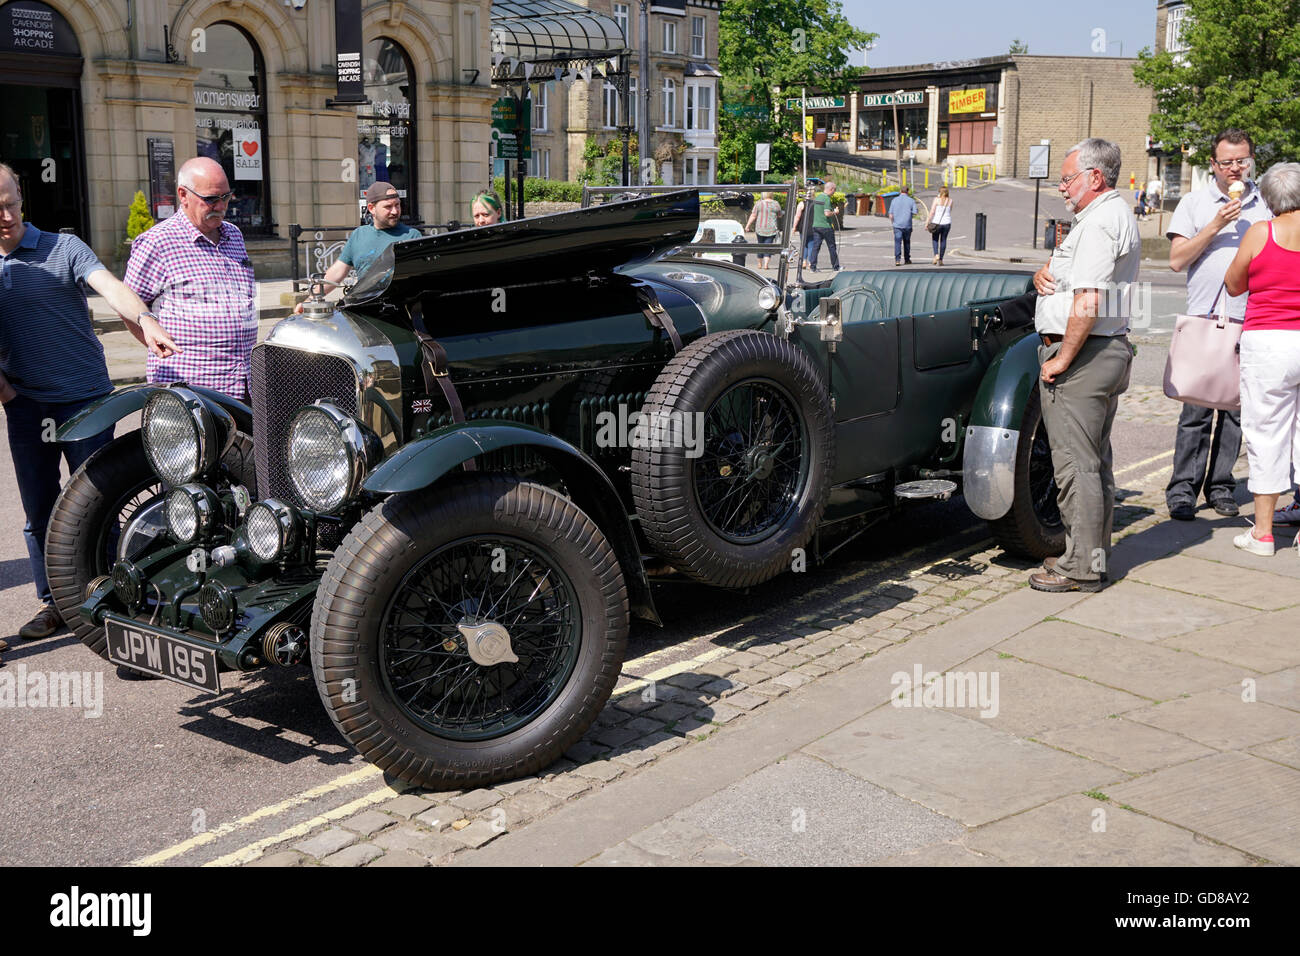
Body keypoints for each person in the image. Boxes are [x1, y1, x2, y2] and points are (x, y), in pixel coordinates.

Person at [0, 162, 179, 643]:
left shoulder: (64, 247)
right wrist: (9, 393)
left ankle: (115, 596)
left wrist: (146, 320)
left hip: (87, 402)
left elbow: (111, 287)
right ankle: (54, 603)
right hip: (27, 407)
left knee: (101, 504)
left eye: (10, 202)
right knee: (41, 511)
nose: (4, 214)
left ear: (22, 198)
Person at [1027, 138, 1140, 593]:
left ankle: (1081, 568)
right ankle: (1091, 553)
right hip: (1104, 349)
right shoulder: (1107, 217)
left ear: (1095, 177)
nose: (1061, 186)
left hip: (1084, 356)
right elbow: (1079, 281)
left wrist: (1063, 359)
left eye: (1068, 177)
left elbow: (1089, 298)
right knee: (1093, 463)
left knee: (1075, 466)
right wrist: (1044, 274)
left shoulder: (1098, 223)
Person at [1164, 129, 1271, 521]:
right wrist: (1214, 225)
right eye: (1226, 162)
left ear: (1252, 160)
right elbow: (1177, 260)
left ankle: (1221, 486)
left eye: (1241, 160)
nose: (1234, 169)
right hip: (1204, 318)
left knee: (1235, 411)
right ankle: (1182, 490)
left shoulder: (1266, 204)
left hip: (1252, 319)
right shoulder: (1194, 203)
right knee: (1195, 409)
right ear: (1213, 165)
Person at [125, 157, 257, 400]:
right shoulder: (157, 242)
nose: (220, 206)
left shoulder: (234, 235)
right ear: (183, 195)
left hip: (242, 382)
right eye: (210, 199)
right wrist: (157, 344)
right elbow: (128, 306)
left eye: (226, 197)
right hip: (190, 388)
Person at [1223, 163, 1300, 555]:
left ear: (1269, 200)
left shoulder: (1260, 232)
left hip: (1269, 340)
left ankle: (1264, 533)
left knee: (1266, 432)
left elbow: (1234, 284)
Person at [304, 181, 422, 309]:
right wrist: (310, 299)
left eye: (397, 205)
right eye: (388, 207)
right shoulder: (359, 235)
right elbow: (337, 272)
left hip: (399, 310)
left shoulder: (411, 236)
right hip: (365, 309)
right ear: (371, 208)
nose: (395, 211)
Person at [793, 181, 840, 272]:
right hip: (826, 226)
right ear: (831, 189)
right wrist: (835, 212)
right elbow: (827, 213)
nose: (834, 192)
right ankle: (836, 266)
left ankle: (813, 267)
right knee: (831, 247)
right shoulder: (826, 198)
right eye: (834, 190)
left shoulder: (818, 197)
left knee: (815, 247)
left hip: (816, 225)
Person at [746, 191, 783, 269]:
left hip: (760, 228)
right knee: (768, 246)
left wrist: (747, 225)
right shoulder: (776, 203)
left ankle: (759, 264)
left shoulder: (758, 203)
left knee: (760, 245)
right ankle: (766, 264)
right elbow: (779, 215)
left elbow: (753, 215)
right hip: (771, 228)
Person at [890, 186, 918, 266]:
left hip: (897, 225)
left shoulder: (894, 200)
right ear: (907, 191)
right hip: (907, 225)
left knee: (897, 242)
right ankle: (907, 259)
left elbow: (891, 215)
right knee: (907, 242)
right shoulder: (911, 201)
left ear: (900, 191)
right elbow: (915, 212)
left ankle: (897, 260)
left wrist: (893, 223)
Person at [926, 186, 953, 265]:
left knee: (935, 239)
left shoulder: (936, 200)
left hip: (937, 223)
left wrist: (927, 222)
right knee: (943, 240)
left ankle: (936, 255)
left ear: (939, 192)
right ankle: (941, 259)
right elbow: (950, 210)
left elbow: (932, 212)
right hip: (947, 223)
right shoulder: (950, 201)